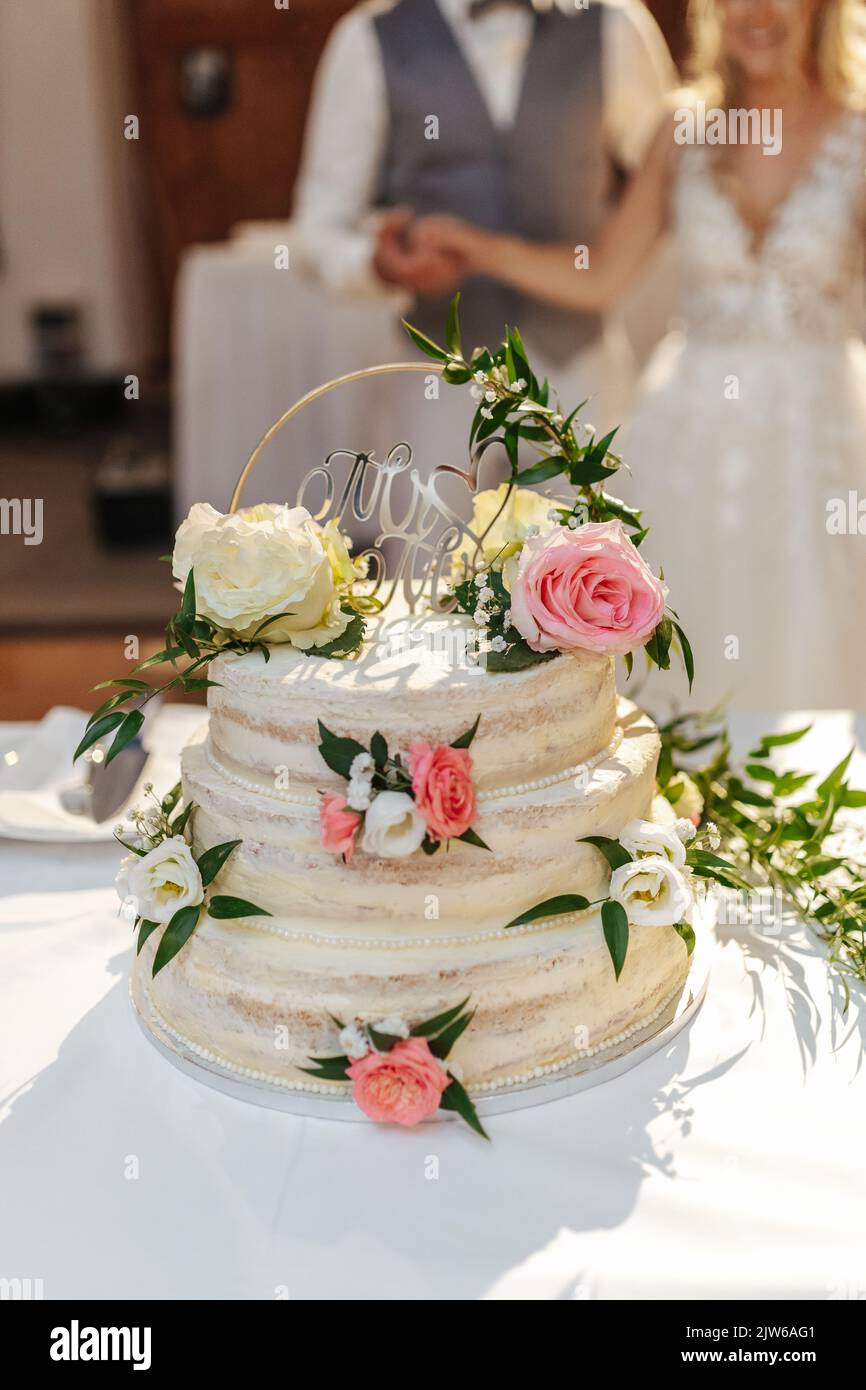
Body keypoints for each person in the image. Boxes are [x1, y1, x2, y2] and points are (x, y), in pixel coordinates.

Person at [414, 0, 866, 712]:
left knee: (821, 631)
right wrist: (480, 248)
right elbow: (602, 275)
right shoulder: (681, 129)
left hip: (826, 433)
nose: (758, 11)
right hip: (690, 430)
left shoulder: (858, 129)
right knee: (674, 644)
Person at [293, 0, 675, 435]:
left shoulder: (614, 24)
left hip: (581, 376)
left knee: (591, 505)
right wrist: (377, 265)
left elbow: (672, 177)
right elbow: (320, 227)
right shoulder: (369, 36)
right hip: (436, 384)